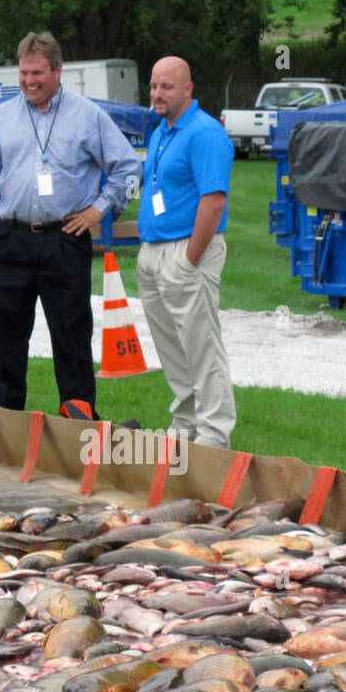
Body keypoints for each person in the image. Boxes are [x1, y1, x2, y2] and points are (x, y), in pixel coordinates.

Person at [0, 31, 140, 418]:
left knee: (72, 336)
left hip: (64, 240)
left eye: (38, 74)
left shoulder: (87, 115)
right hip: (8, 241)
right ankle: (8, 425)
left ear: (58, 72)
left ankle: (77, 421)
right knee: (8, 340)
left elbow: (129, 169)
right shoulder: (2, 117)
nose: (30, 81)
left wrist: (100, 209)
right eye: (24, 73)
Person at [136, 56, 236, 448]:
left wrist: (190, 258)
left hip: (187, 249)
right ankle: (185, 421)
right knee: (171, 346)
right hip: (154, 250)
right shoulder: (161, 131)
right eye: (154, 86)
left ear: (188, 89)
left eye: (167, 87)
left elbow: (213, 201)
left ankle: (214, 433)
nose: (158, 94)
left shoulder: (205, 133)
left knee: (201, 343)